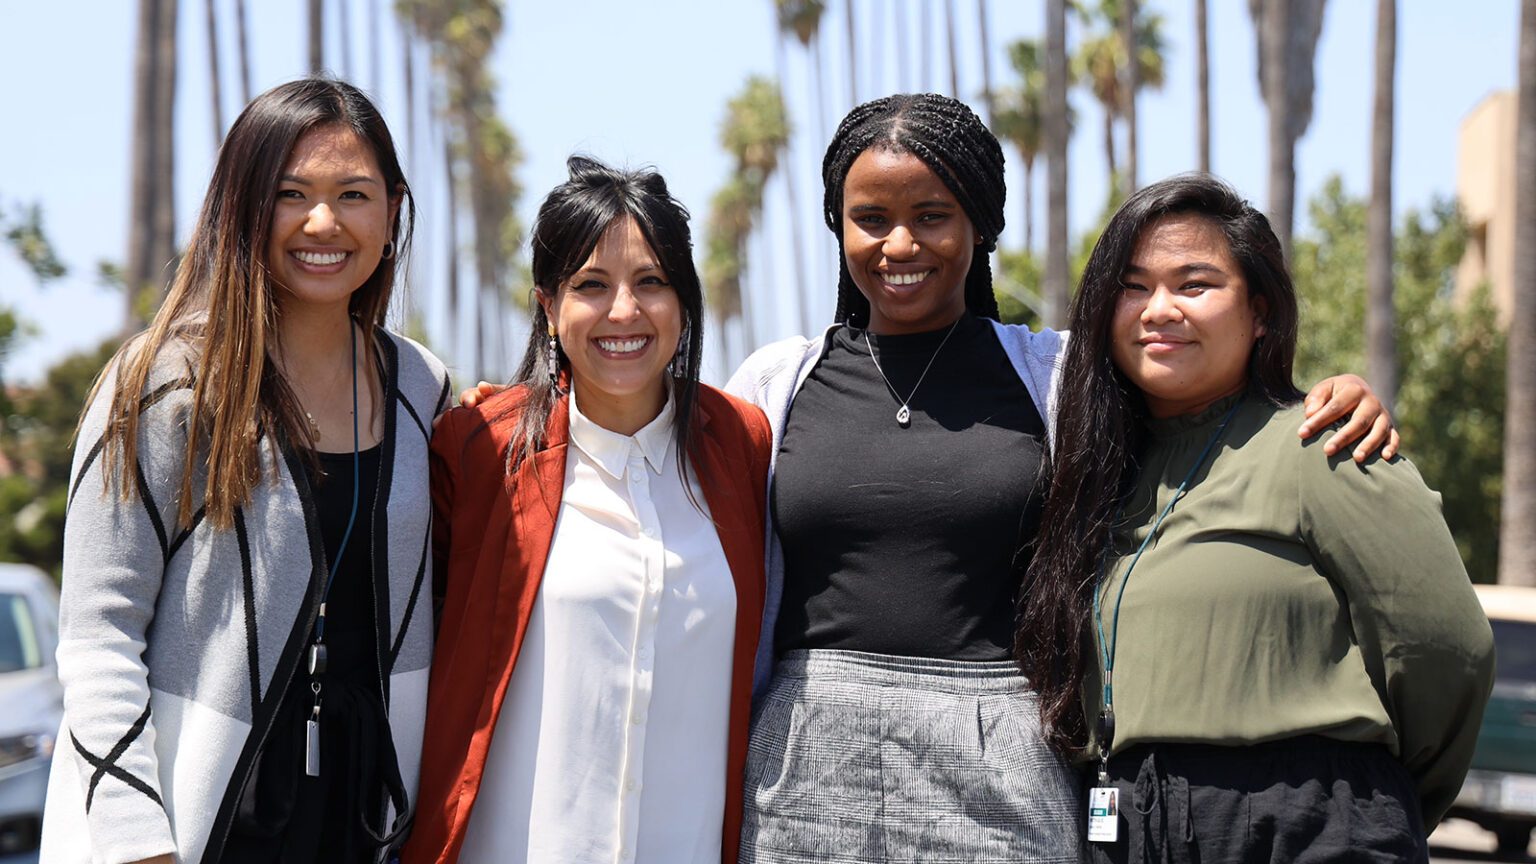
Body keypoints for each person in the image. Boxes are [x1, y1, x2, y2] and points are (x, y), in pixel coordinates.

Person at [722, 94, 1400, 862]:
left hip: (1000, 759)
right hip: (804, 757)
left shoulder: (1062, 375)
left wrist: (1325, 390)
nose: (899, 243)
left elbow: (1203, 391)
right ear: (839, 226)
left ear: (980, 225)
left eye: (932, 215)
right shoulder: (774, 384)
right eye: (870, 218)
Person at [1016, 174, 1495, 863]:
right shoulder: (1088, 475)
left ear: (1260, 312)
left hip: (1304, 824)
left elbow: (1445, 649)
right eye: (1133, 285)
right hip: (1121, 825)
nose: (1159, 310)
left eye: (1195, 284)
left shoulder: (1324, 443)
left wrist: (1373, 797)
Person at [42, 78, 450, 864]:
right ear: (241, 205)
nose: (322, 222)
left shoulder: (422, 390)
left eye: (353, 194)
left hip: (364, 822)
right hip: (193, 827)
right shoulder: (161, 385)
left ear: (392, 209)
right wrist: (137, 845)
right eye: (289, 193)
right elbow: (98, 633)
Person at [404, 157, 772, 864]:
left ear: (684, 302)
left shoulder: (742, 445)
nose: (624, 312)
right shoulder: (478, 450)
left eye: (652, 283)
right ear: (548, 306)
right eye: (591, 286)